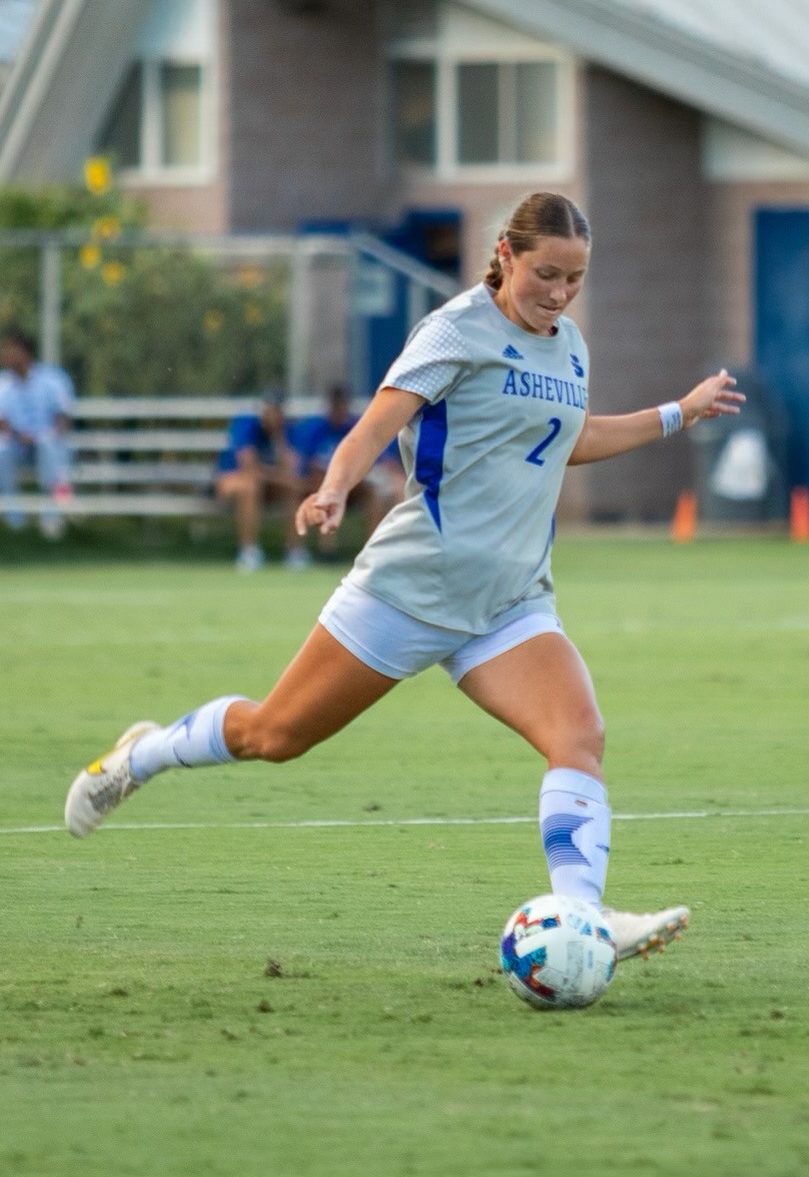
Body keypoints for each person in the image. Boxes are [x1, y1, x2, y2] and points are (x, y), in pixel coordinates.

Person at [65, 192, 743, 963]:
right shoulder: (456, 330)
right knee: (274, 735)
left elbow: (568, 438)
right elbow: (375, 425)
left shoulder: (571, 346)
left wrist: (679, 413)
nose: (559, 293)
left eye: (575, 279)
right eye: (546, 274)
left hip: (510, 601)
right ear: (507, 255)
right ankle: (140, 756)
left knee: (578, 735)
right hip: (413, 586)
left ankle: (583, 916)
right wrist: (334, 487)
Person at [0, 327, 75, 539]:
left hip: (47, 443)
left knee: (49, 445)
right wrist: (20, 436)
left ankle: (51, 517)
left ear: (26, 353)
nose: (6, 356)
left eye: (11, 351)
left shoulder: (52, 380)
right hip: (16, 444)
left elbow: (63, 416)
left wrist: (48, 434)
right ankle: (13, 519)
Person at [291, 384, 405, 552]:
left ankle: (374, 549)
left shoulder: (353, 429)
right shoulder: (316, 430)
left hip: (352, 484)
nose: (338, 411)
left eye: (341, 406)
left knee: (376, 491)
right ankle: (326, 548)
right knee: (320, 487)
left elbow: (379, 459)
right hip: (320, 484)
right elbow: (306, 465)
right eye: (335, 407)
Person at [214, 389, 308, 571]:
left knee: (294, 488)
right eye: (269, 409)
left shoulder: (287, 431)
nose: (273, 415)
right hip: (233, 478)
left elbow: (292, 470)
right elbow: (249, 469)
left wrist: (278, 437)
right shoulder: (246, 424)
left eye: (277, 410)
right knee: (250, 486)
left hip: (268, 483)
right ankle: (248, 550)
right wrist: (278, 476)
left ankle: (294, 551)